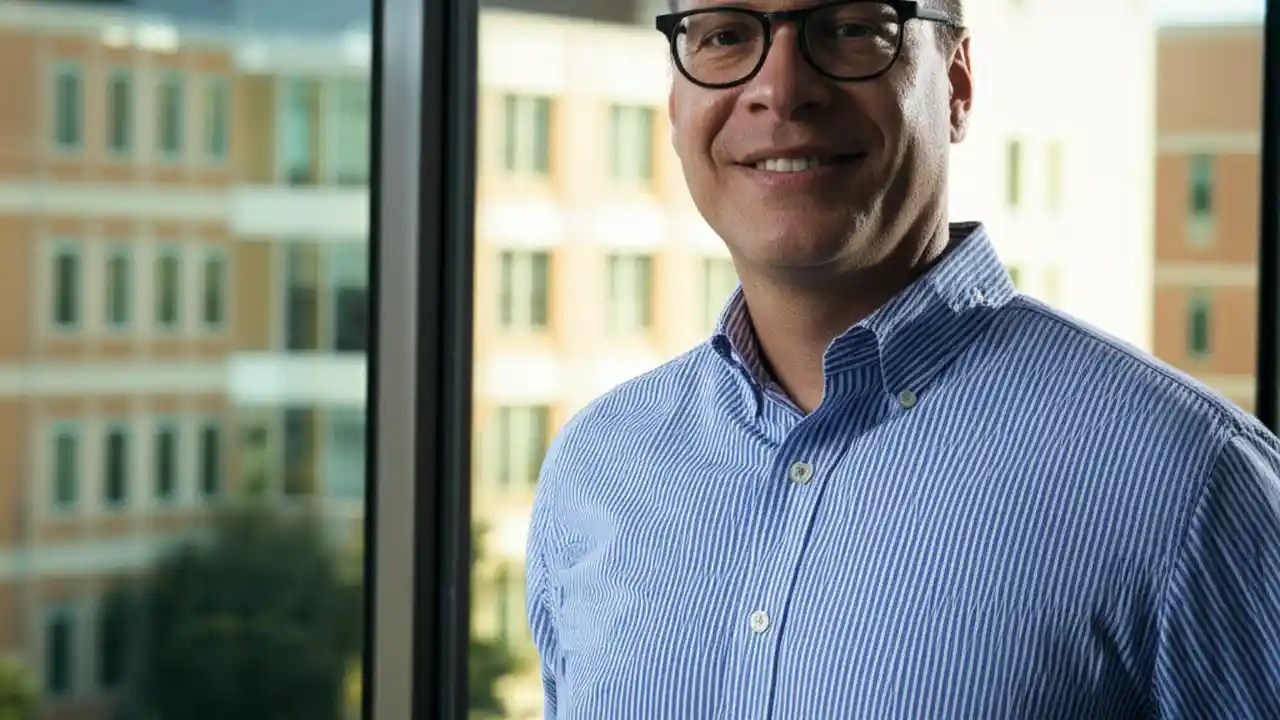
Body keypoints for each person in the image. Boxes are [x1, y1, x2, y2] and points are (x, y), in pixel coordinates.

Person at [525, 0, 1280, 717]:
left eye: (851, 28)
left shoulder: (1185, 479)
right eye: (724, 35)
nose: (781, 90)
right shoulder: (596, 469)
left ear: (955, 85)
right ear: (676, 102)